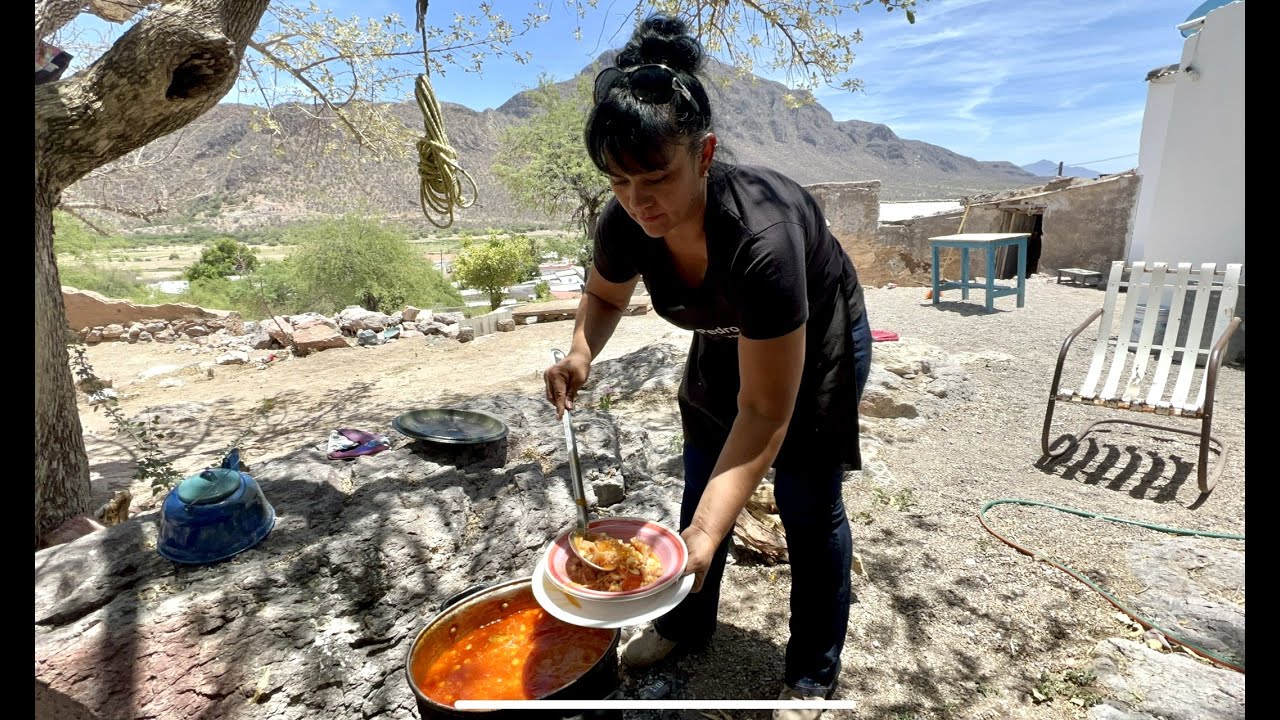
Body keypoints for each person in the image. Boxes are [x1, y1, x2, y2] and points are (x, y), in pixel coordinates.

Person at [542, 14, 872, 719]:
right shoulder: (626, 217)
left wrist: (705, 535)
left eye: (656, 176)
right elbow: (603, 295)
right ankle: (687, 622)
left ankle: (812, 673)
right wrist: (579, 350)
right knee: (702, 487)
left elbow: (764, 411)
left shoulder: (765, 239)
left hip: (811, 337)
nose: (639, 201)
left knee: (808, 504)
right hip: (729, 338)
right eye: (619, 181)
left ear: (705, 153)